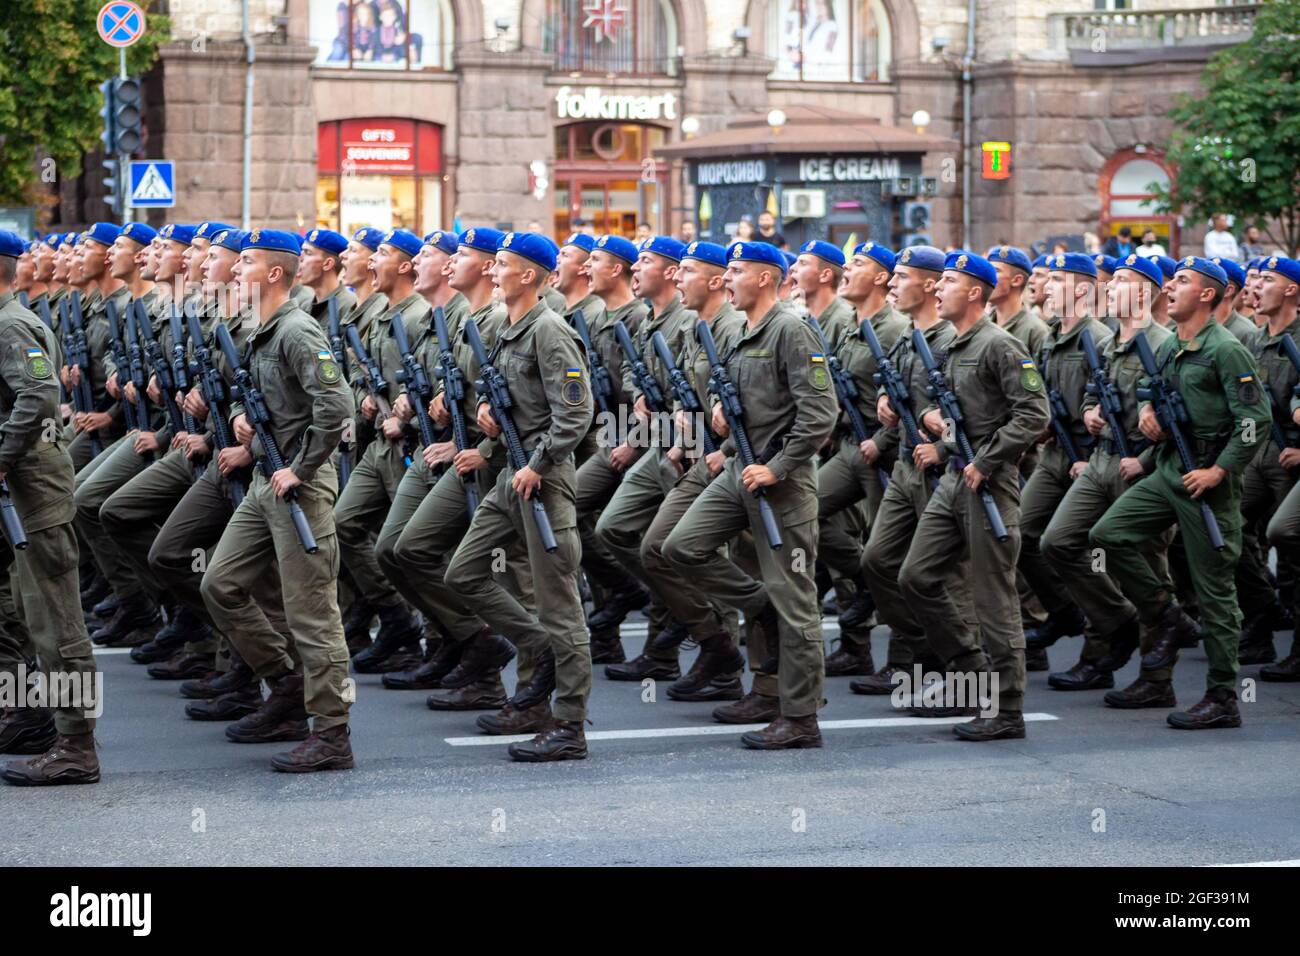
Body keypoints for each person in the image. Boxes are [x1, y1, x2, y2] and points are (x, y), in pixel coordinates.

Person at [662, 240, 839, 749]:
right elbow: (734, 391)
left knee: (797, 600)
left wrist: (778, 467)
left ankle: (801, 717)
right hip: (739, 468)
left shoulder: (791, 328)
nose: (728, 279)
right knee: (680, 547)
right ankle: (758, 605)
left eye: (737, 271)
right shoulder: (739, 330)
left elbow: (819, 414)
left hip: (781, 482)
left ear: (765, 278)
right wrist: (719, 408)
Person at [200, 228, 357, 771]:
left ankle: (332, 732)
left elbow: (337, 406)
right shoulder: (260, 331)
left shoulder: (296, 330)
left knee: (312, 613)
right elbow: (278, 408)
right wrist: (247, 437)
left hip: (300, 489)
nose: (236, 270)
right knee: (220, 584)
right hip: (269, 478)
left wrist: (302, 466)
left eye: (245, 262)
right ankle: (286, 685)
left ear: (273, 274)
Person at [1090, 257, 1270, 728]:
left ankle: (1223, 696)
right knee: (1108, 535)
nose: (1170, 287)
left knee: (1215, 593)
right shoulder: (1172, 343)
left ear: (1207, 295)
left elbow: (1255, 422)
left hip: (1207, 481)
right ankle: (1167, 615)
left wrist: (1220, 471)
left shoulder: (1226, 349)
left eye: (1183, 281)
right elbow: (1152, 382)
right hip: (1169, 470)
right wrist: (1148, 407)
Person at [444, 231, 595, 762]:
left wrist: (536, 463)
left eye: (501, 265)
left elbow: (575, 412)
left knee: (561, 607)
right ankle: (538, 650)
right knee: (462, 572)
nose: (491, 271)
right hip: (514, 473)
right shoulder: (505, 330)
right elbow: (516, 410)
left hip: (543, 481)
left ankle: (570, 724)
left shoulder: (549, 330)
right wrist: (489, 434)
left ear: (529, 275)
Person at [897, 250, 1049, 740]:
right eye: (937, 282)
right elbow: (955, 416)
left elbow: (1033, 414)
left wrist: (987, 459)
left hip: (990, 482)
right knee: (915, 575)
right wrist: (942, 440)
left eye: (949, 282)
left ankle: (1007, 709)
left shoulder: (1000, 346)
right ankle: (972, 662)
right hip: (955, 476)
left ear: (977, 293)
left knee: (994, 596)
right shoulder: (952, 347)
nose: (938, 289)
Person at [1039, 254, 1173, 692]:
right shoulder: (1112, 342)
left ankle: (1156, 678)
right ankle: (1120, 623)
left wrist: (1147, 461)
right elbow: (1093, 395)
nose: (1110, 287)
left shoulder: (1166, 345)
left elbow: (1187, 422)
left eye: (1121, 281)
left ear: (1146, 292)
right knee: (1058, 542)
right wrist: (1091, 412)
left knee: (1148, 562)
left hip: (1140, 466)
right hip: (1101, 460)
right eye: (1110, 281)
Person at [0, 229, 102, 786]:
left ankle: (77, 745)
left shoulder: (13, 324)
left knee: (57, 620)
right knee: (22, 609)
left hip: (35, 485)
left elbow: (37, 397)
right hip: (20, 485)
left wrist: (2, 455)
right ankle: (36, 717)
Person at [858, 246, 964, 695]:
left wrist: (943, 447)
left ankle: (953, 666)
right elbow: (894, 379)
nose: (892, 284)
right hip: (904, 464)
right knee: (878, 560)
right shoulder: (907, 334)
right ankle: (922, 646)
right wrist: (884, 396)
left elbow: (976, 412)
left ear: (929, 284)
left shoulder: (951, 338)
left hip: (939, 470)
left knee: (942, 575)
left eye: (901, 277)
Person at [1014, 254, 1114, 680]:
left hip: (1091, 458)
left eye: (1056, 279)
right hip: (1056, 453)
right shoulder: (1052, 336)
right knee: (1020, 533)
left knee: (1092, 551)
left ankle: (1100, 649)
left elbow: (1113, 408)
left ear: (1080, 288)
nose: (1046, 285)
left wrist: (1090, 455)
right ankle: (1063, 610)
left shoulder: (1101, 340)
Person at [335, 228, 430, 675]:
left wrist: (407, 413)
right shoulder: (377, 314)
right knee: (344, 525)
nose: (369, 260)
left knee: (415, 546)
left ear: (406, 265)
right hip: (379, 443)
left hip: (409, 445)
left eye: (380, 254)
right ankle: (395, 618)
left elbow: (440, 384)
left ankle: (450, 638)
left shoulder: (418, 315)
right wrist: (366, 399)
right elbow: (360, 376)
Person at [815, 242, 908, 676]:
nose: (848, 270)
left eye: (859, 264)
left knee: (890, 553)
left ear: (882, 278)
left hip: (881, 455)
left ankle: (903, 660)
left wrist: (884, 442)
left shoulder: (894, 328)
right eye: (848, 263)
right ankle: (865, 595)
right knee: (804, 511)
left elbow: (909, 400)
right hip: (850, 447)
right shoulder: (849, 325)